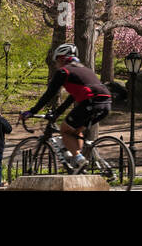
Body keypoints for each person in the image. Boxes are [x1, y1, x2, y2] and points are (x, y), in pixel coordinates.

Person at [20, 43, 111, 171]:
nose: (56, 65)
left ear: (62, 58)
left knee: (64, 130)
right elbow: (72, 97)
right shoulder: (84, 69)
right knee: (75, 131)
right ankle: (79, 163)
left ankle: (78, 158)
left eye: (56, 61)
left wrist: (32, 111)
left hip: (90, 102)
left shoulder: (64, 71)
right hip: (106, 103)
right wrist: (57, 112)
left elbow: (49, 94)